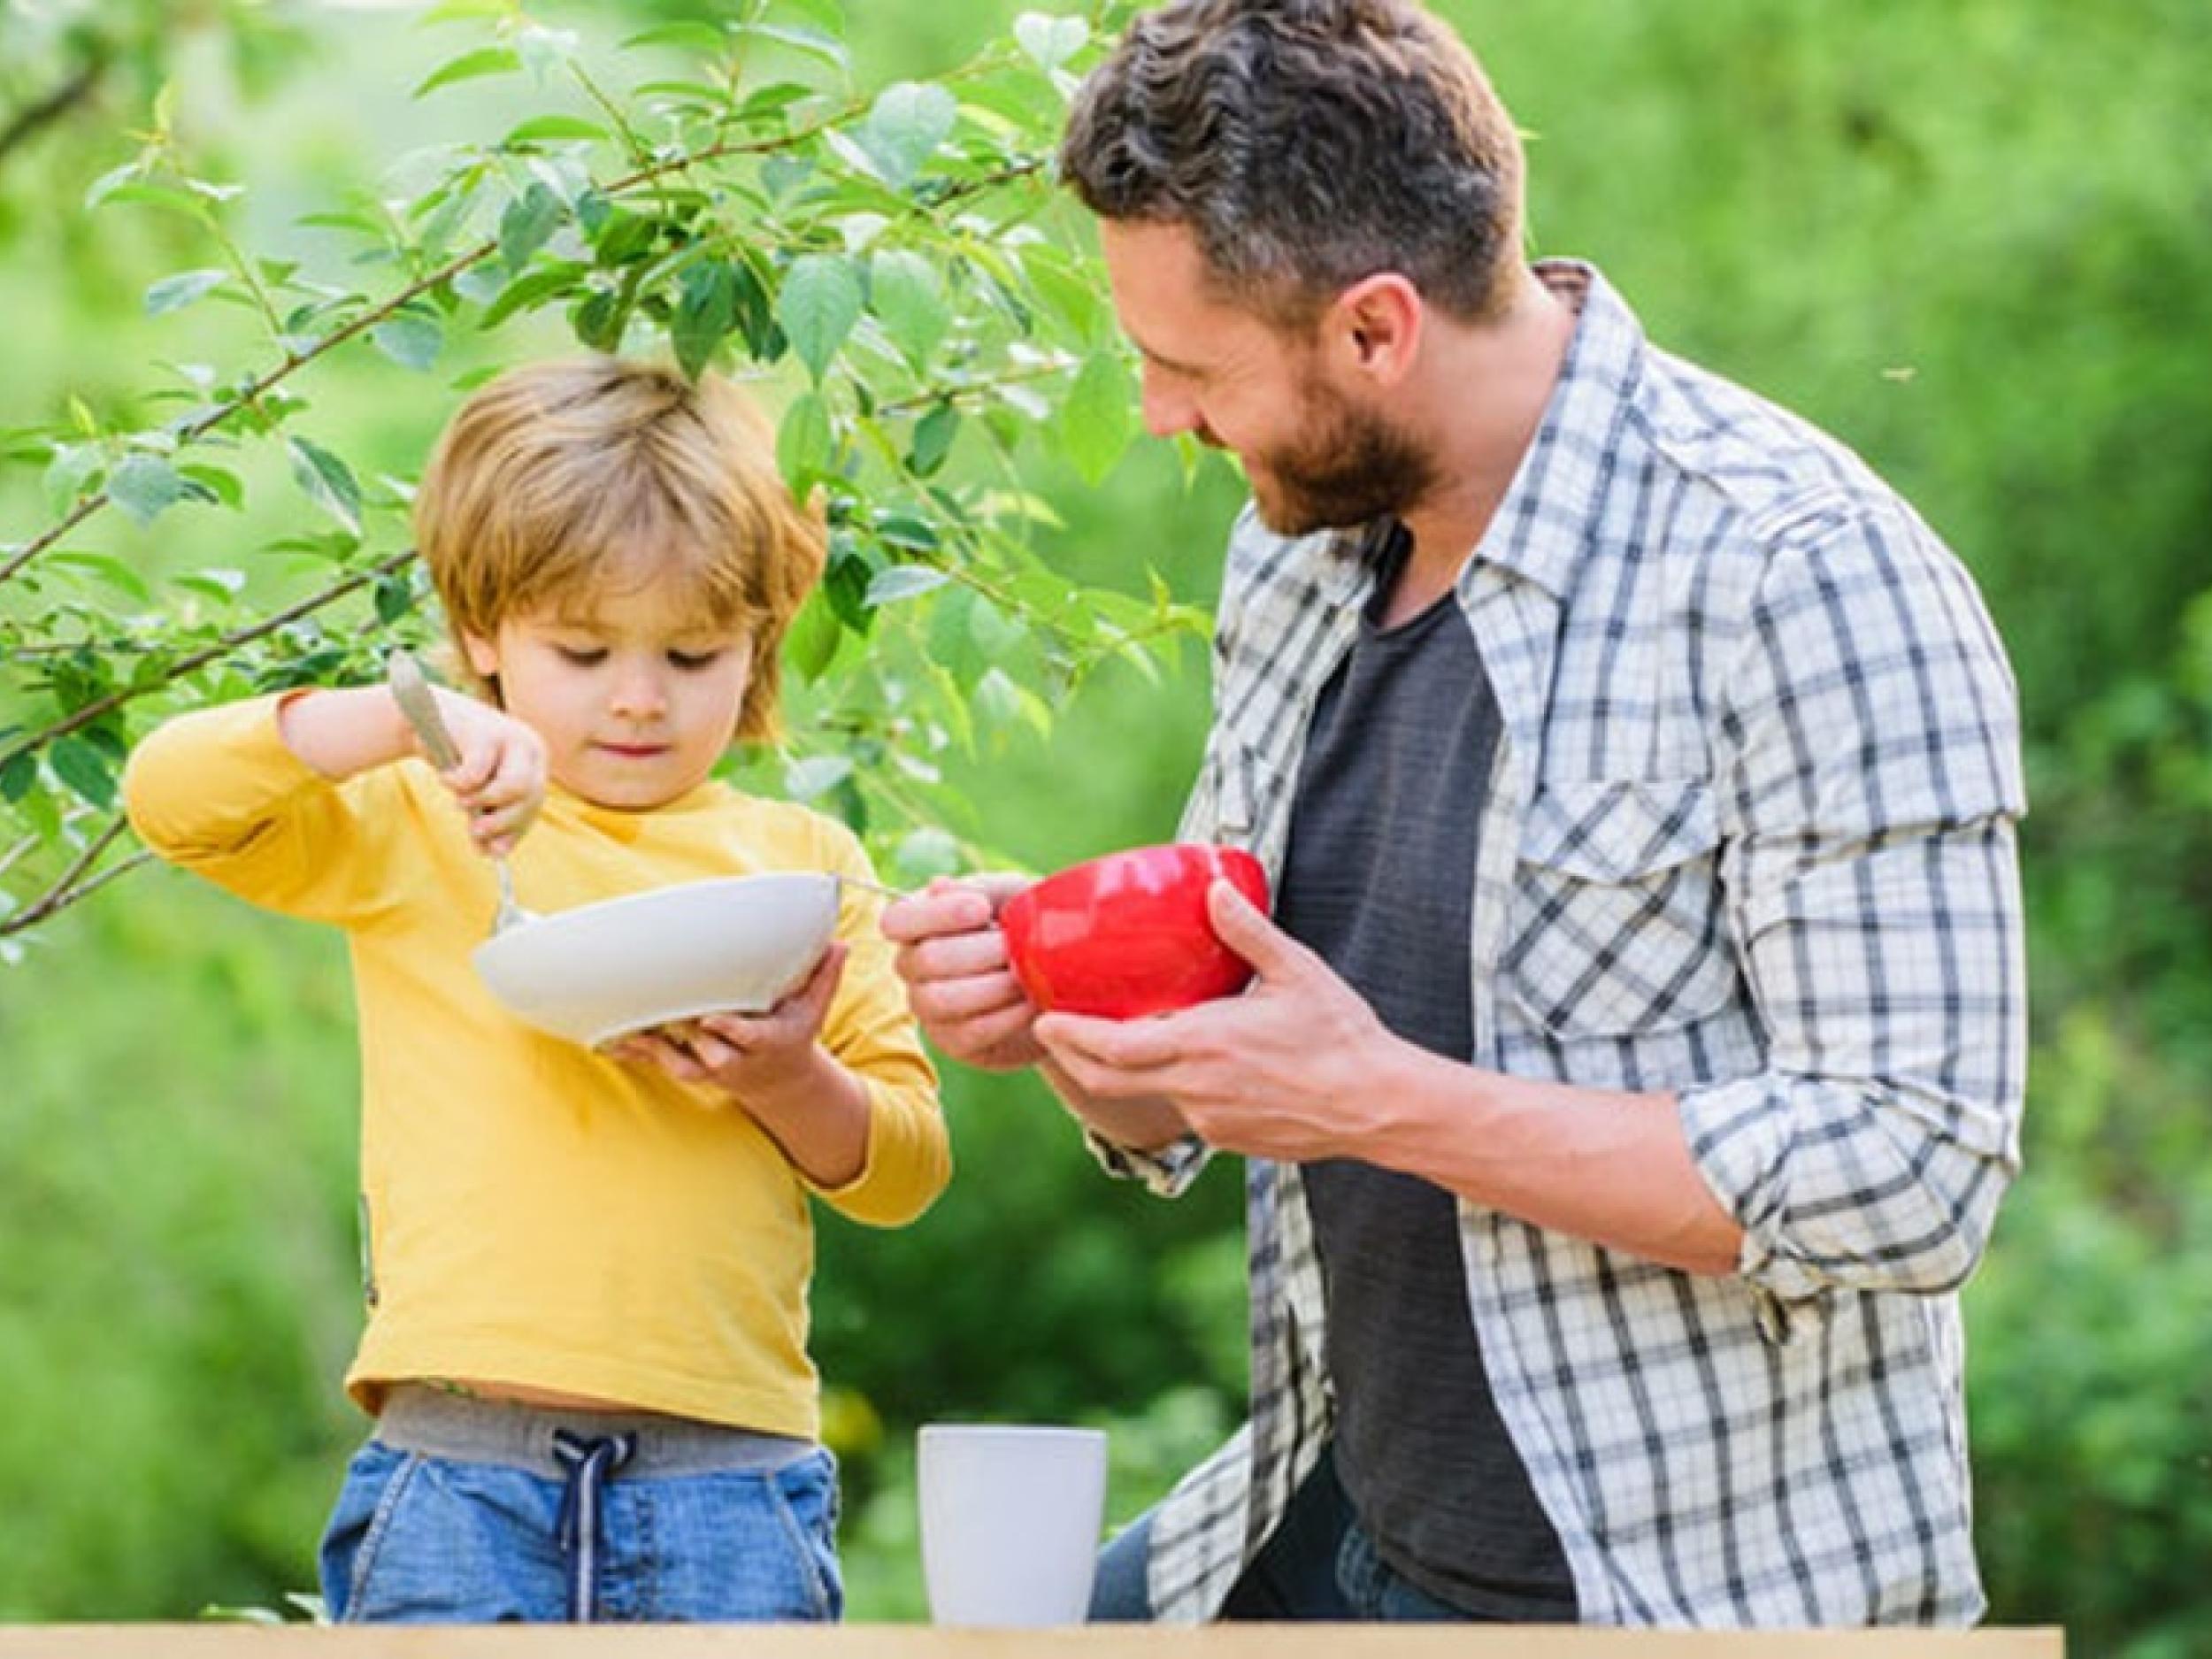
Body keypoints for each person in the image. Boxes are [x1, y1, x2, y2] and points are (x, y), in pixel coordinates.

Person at [882, 0, 2025, 1630]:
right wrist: (1074, 1007)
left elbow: (1910, 1171)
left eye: (1187, 369)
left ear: (1374, 331)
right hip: (1328, 1509)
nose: (1156, 417)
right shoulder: (1298, 545)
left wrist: (1383, 1101)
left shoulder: (1801, 572)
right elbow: (1228, 1074)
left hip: (1672, 1591)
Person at [123, 357, 950, 1624]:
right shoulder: (423, 817)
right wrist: (405, 724)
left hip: (732, 1481)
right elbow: (169, 798)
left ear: (758, 643)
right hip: (461, 1471)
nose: (636, 695)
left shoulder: (803, 870)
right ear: (483, 637)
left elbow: (906, 1169)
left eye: (691, 652)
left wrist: (789, 1076)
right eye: (581, 648)